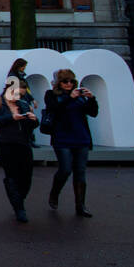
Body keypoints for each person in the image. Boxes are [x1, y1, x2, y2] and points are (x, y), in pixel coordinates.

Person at [45, 69, 99, 217]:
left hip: (81, 138)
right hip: (62, 138)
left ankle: (80, 206)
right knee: (65, 169)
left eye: (71, 81)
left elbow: (93, 113)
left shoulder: (80, 97)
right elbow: (54, 109)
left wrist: (91, 98)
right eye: (65, 81)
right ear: (58, 83)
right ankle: (54, 193)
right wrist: (69, 97)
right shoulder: (51, 95)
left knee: (80, 172)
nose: (69, 84)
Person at [0, 77, 38, 222]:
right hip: (6, 143)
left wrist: (33, 120)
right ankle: (19, 208)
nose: (17, 97)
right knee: (11, 175)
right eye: (15, 93)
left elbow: (31, 126)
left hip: (24, 144)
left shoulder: (23, 104)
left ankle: (19, 199)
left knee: (27, 176)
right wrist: (11, 117)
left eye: (20, 95)